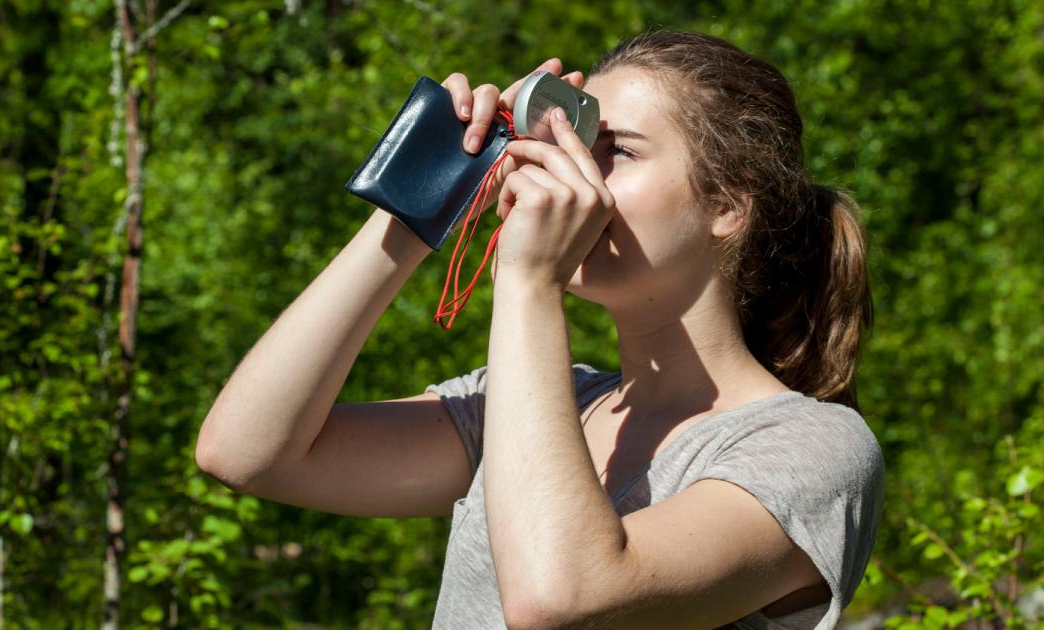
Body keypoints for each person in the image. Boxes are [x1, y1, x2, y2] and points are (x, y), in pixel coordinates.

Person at [195, 30, 884, 630]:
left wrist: (529, 283)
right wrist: (421, 201)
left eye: (614, 149)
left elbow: (562, 596)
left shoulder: (811, 449)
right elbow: (249, 452)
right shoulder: (537, 407)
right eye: (572, 138)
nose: (570, 165)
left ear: (728, 204)